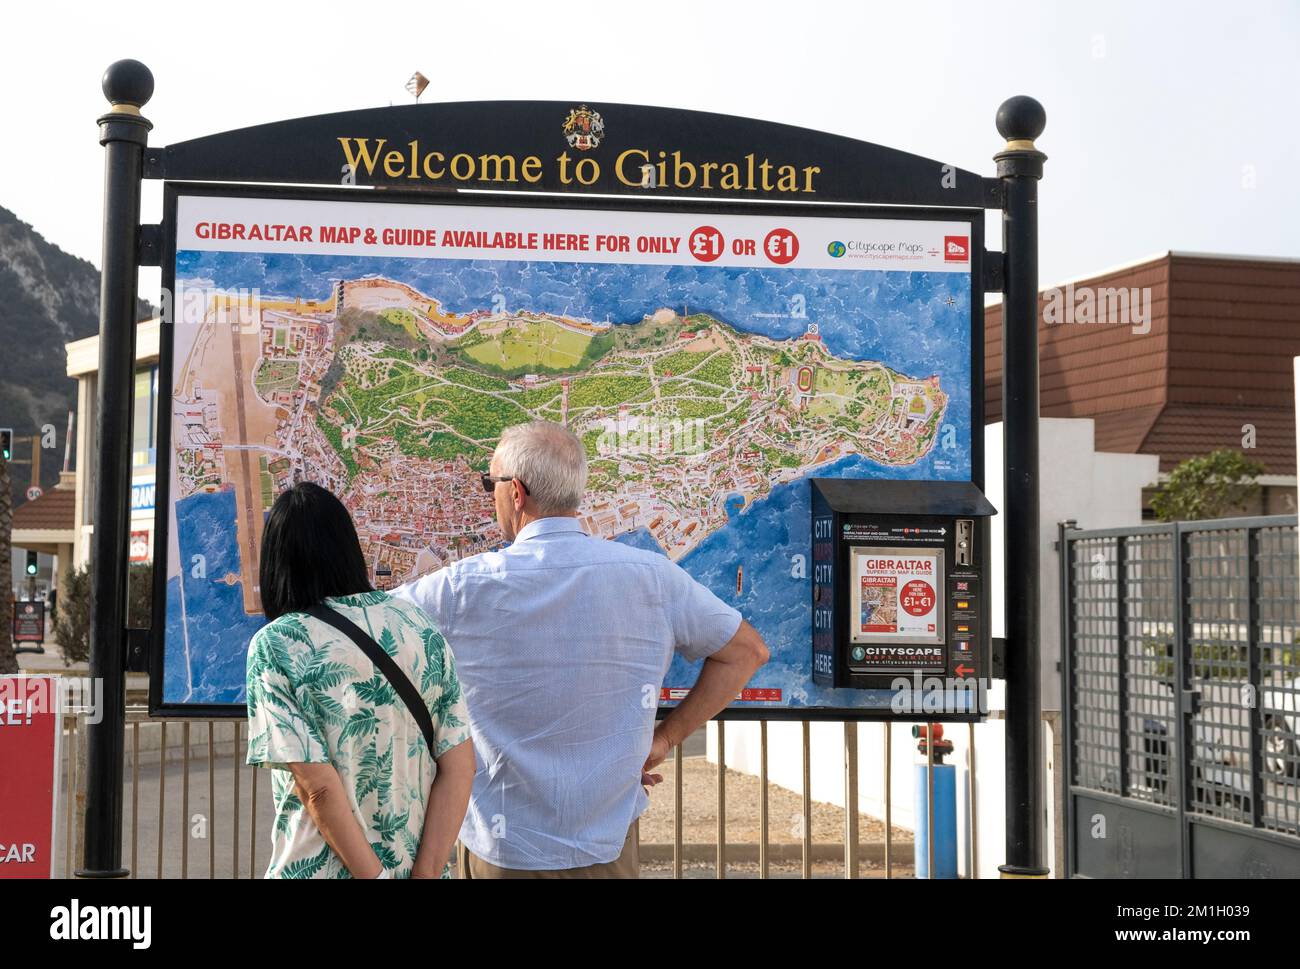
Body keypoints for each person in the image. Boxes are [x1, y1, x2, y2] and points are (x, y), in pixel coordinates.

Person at [394, 421, 769, 878]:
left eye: (488, 484)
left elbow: (363, 631)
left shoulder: (460, 587)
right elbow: (746, 652)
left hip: (504, 848)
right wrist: (665, 738)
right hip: (606, 847)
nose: (488, 496)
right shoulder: (652, 577)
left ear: (516, 493)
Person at [246, 482, 475, 879]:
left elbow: (318, 788)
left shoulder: (277, 644)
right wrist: (426, 872)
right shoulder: (416, 625)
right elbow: (459, 764)